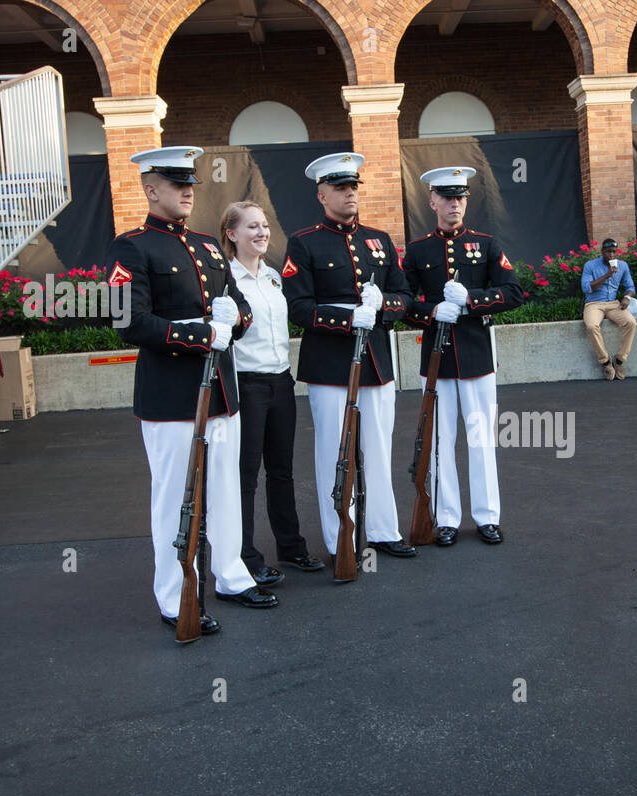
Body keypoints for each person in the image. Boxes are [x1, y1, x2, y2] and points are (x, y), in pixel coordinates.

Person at [107, 146, 279, 640]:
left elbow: (241, 308)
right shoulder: (132, 248)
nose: (187, 191)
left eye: (190, 183)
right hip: (172, 399)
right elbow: (127, 321)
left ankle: (231, 575)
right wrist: (202, 333)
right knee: (174, 501)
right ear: (150, 188)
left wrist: (234, 320)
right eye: (175, 182)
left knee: (225, 491)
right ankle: (173, 594)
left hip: (223, 393)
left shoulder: (206, 246)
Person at [282, 152, 416, 567]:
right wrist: (345, 316)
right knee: (333, 452)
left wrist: (385, 304)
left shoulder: (379, 239)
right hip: (329, 363)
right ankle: (340, 533)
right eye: (340, 188)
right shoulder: (304, 243)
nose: (349, 193)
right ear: (322, 194)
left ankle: (382, 529)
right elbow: (299, 307)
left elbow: (406, 298)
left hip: (375, 360)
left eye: (353, 186)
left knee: (377, 447)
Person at [402, 166, 522, 547]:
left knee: (481, 439)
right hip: (436, 359)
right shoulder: (419, 250)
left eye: (461, 197)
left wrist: (472, 300)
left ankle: (487, 516)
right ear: (433, 201)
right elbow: (403, 303)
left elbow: (513, 293)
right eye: (447, 197)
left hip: (475, 356)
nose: (455, 204)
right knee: (439, 442)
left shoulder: (486, 244)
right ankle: (447, 518)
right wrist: (433, 310)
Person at [221, 201, 324, 585]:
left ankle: (291, 547)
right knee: (246, 475)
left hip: (281, 381)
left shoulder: (273, 277)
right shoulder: (226, 280)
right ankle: (245, 556)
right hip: (247, 385)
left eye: (264, 225)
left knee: (281, 471)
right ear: (232, 235)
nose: (262, 232)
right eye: (252, 227)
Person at [580, 238, 636, 380]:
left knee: (631, 323)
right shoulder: (590, 265)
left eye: (614, 252)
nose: (611, 255)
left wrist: (627, 298)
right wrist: (607, 275)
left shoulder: (622, 266)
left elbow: (630, 287)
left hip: (613, 304)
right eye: (608, 252)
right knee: (592, 326)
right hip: (594, 303)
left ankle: (619, 360)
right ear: (602, 252)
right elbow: (586, 288)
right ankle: (605, 361)